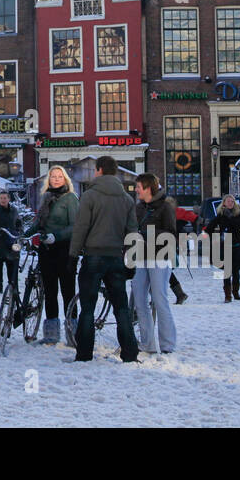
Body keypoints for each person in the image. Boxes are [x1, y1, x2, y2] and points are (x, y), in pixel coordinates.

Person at [69, 155, 140, 362]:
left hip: (93, 256)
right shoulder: (126, 199)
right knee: (121, 308)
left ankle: (84, 353)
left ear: (99, 170)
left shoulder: (90, 196)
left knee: (88, 308)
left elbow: (81, 228)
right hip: (116, 257)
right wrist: (131, 260)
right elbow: (132, 232)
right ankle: (129, 353)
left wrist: (73, 255)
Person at [25, 166, 78, 344]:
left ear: (65, 179)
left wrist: (57, 236)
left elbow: (75, 226)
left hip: (64, 250)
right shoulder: (46, 198)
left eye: (59, 176)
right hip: (46, 250)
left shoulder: (70, 198)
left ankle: (73, 334)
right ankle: (51, 334)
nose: (56, 179)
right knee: (49, 291)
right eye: (53, 176)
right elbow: (38, 223)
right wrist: (24, 235)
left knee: (68, 291)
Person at [130, 173, 177, 354]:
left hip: (159, 257)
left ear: (148, 187)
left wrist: (148, 235)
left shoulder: (165, 207)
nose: (136, 190)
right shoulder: (138, 208)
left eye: (139, 187)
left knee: (159, 299)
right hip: (140, 257)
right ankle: (147, 343)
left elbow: (171, 234)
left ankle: (167, 344)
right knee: (140, 301)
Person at [202, 193, 240, 302]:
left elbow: (238, 226)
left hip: (236, 245)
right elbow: (212, 225)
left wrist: (229, 216)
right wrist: (205, 232)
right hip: (225, 245)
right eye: (228, 201)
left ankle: (235, 292)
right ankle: (227, 295)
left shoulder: (238, 213)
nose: (230, 203)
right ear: (224, 203)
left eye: (232, 201)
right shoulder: (221, 214)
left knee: (235, 271)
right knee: (227, 271)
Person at [0, 191, 22, 295]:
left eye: (4, 198)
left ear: (9, 199)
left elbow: (18, 223)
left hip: (11, 241)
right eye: (1, 198)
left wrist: (18, 231)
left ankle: (13, 286)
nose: (3, 200)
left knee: (11, 264)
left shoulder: (14, 210)